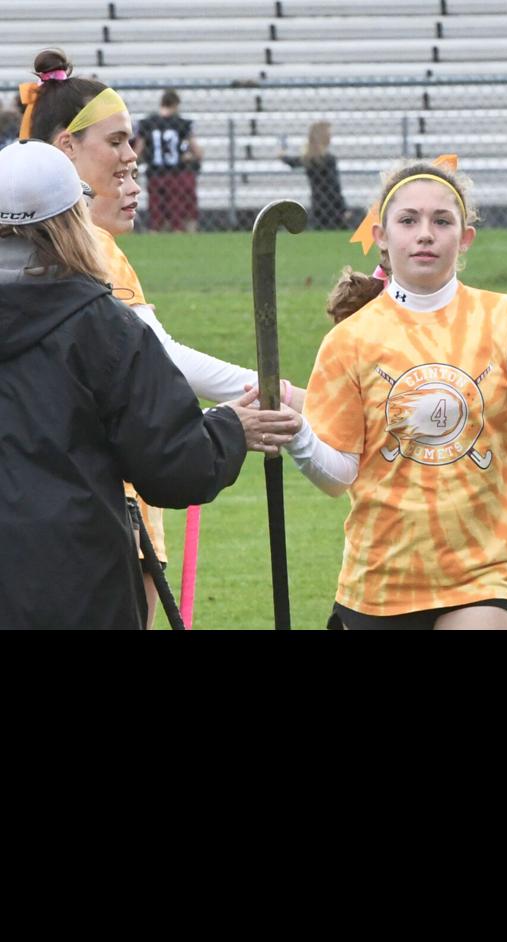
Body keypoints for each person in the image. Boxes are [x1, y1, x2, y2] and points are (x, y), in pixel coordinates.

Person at [21, 48, 306, 626]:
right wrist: (273, 390)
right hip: (102, 500)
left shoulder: (57, 248)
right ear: (66, 148)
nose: (132, 156)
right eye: (117, 142)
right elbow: (158, 358)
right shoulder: (89, 249)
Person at [284, 159, 507, 629]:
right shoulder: (349, 339)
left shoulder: (506, 318)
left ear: (465, 238)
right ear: (381, 236)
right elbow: (339, 475)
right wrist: (297, 434)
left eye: (442, 221)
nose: (425, 234)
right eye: (408, 220)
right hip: (378, 579)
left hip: (484, 574)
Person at [0, 140, 257, 628]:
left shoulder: (104, 325)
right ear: (72, 220)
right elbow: (174, 466)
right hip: (79, 588)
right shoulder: (105, 328)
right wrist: (231, 428)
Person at [133, 88, 201, 232]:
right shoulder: (181, 123)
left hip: (155, 173)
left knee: (156, 212)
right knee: (176, 212)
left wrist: (139, 162)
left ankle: (155, 232)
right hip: (176, 173)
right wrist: (188, 156)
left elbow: (138, 151)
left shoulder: (148, 123)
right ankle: (176, 233)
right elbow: (198, 152)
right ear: (176, 104)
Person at [280, 120, 350, 229]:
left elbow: (293, 162)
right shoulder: (328, 159)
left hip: (317, 203)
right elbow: (335, 186)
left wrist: (283, 156)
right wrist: (343, 208)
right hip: (333, 205)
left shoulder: (309, 158)